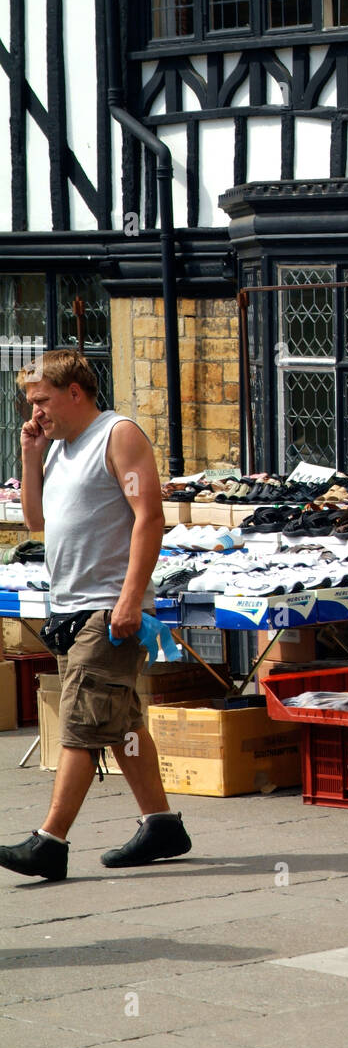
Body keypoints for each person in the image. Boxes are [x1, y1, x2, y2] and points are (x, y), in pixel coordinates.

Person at [0, 350, 191, 881]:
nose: (35, 412)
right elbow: (38, 521)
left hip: (107, 609)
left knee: (82, 723)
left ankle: (50, 841)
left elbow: (149, 517)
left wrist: (130, 599)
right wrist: (30, 454)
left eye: (41, 400)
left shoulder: (118, 435)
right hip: (73, 605)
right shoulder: (57, 446)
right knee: (120, 721)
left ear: (75, 393)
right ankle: (162, 825)